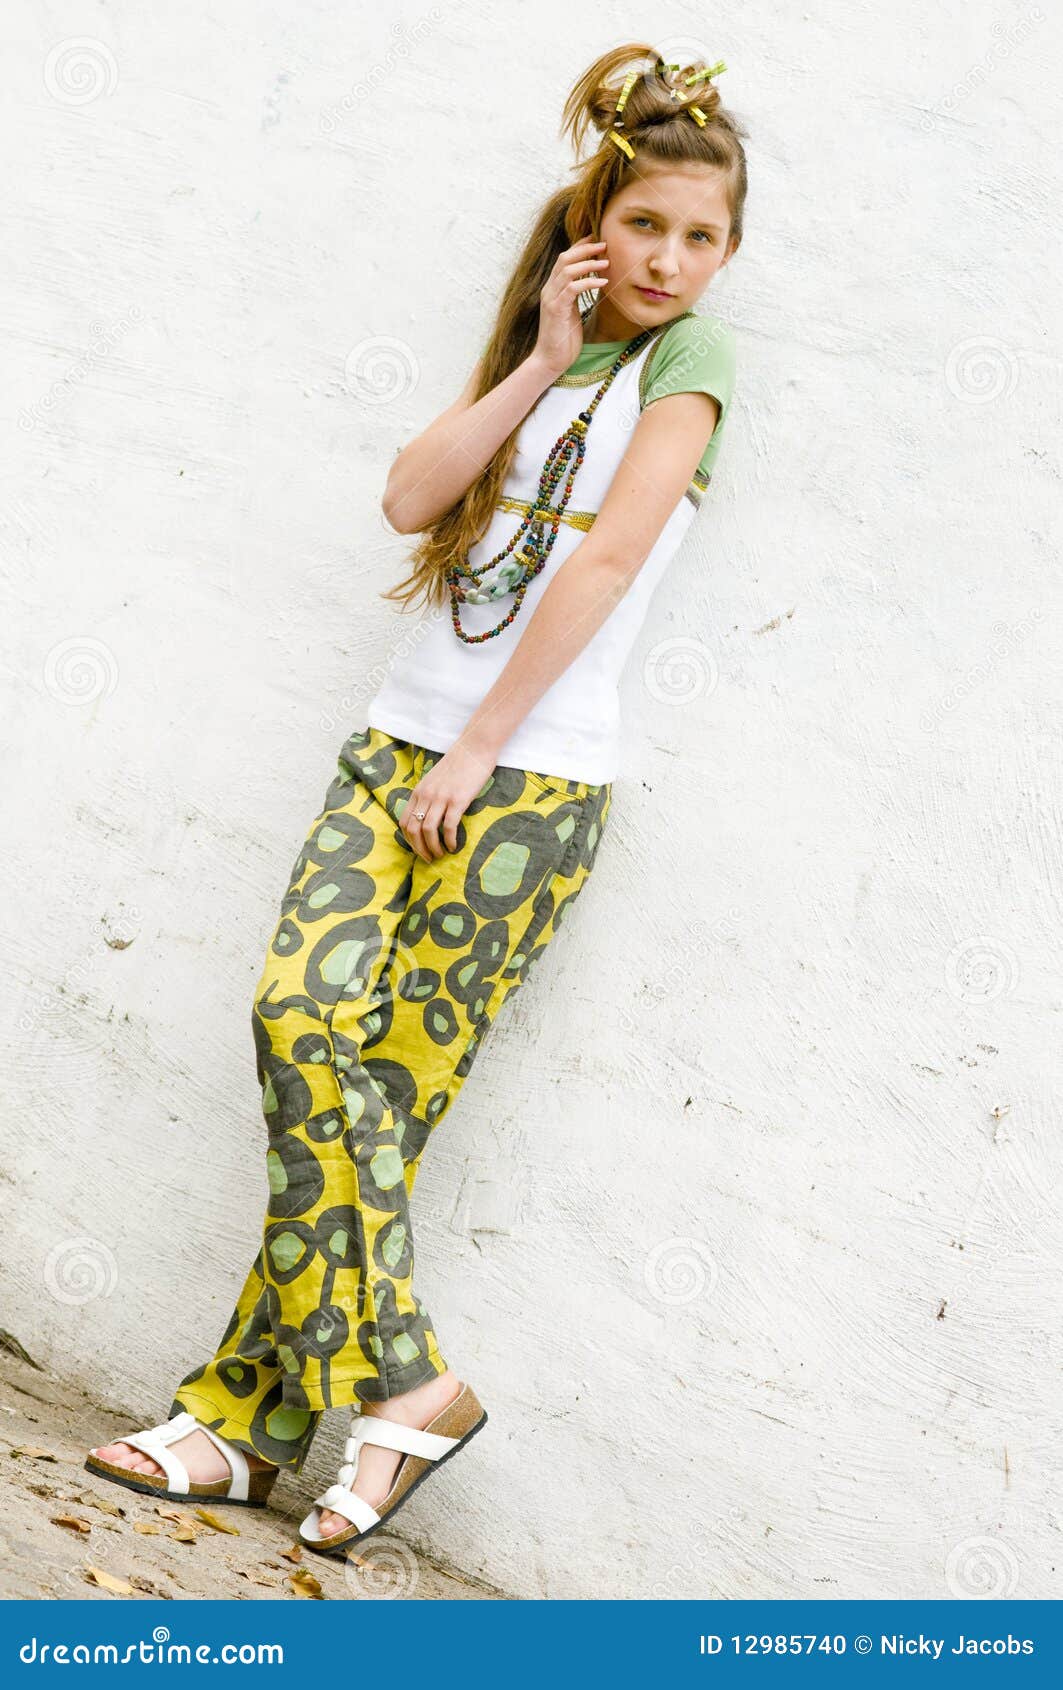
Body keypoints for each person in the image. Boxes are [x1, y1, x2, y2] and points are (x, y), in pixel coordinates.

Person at [84, 41, 747, 1557]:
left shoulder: (693, 369)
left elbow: (602, 562)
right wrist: (534, 351)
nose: (670, 259)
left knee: (372, 1105)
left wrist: (481, 749)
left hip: (528, 786)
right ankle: (410, 1385)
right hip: (395, 747)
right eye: (648, 225)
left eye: (702, 237)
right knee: (299, 1028)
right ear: (599, 221)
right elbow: (408, 497)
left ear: (727, 251)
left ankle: (238, 1426)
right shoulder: (559, 350)